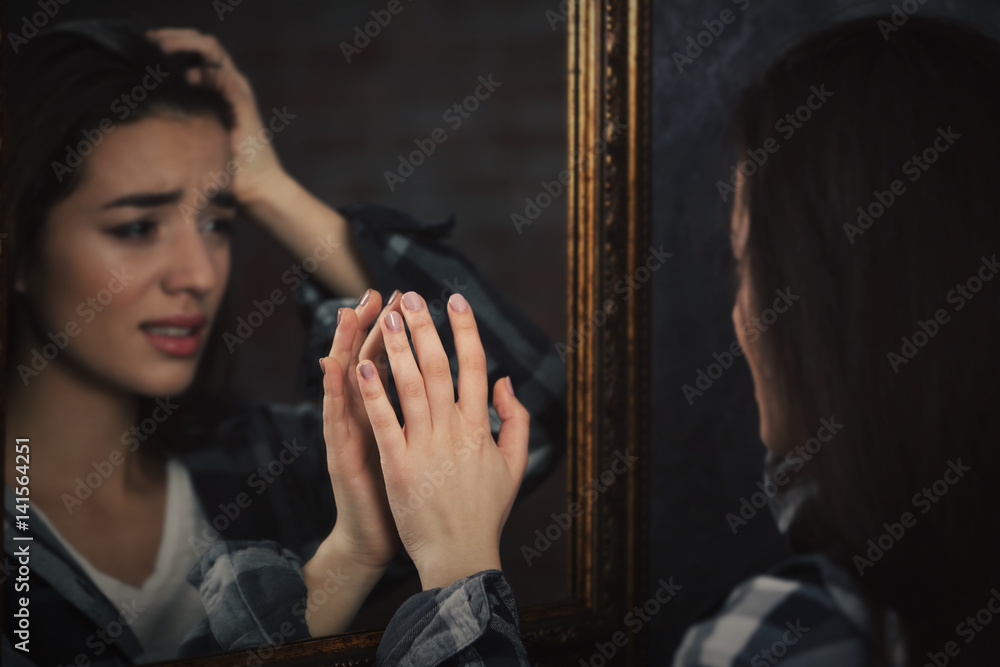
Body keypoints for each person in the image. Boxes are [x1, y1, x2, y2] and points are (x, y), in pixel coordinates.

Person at [180, 13, 1000, 666]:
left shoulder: (785, 633)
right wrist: (362, 550)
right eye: (133, 226)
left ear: (821, 311)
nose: (188, 273)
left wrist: (456, 573)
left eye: (748, 264)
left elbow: (531, 398)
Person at [1, 20, 565, 666]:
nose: (199, 274)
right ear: (21, 248)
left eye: (217, 223)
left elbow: (522, 410)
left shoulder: (263, 469)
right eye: (136, 227)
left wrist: (269, 190)